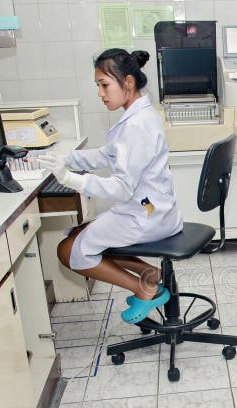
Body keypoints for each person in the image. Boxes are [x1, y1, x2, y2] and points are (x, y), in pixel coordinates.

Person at [39, 49, 183, 324]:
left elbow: (120, 188)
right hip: (152, 209)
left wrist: (69, 179)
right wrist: (66, 158)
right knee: (80, 233)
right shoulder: (136, 116)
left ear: (128, 82)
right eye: (98, 86)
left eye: (105, 85)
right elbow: (107, 154)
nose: (100, 93)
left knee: (69, 251)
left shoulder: (138, 125)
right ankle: (150, 276)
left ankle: (143, 287)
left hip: (146, 216)